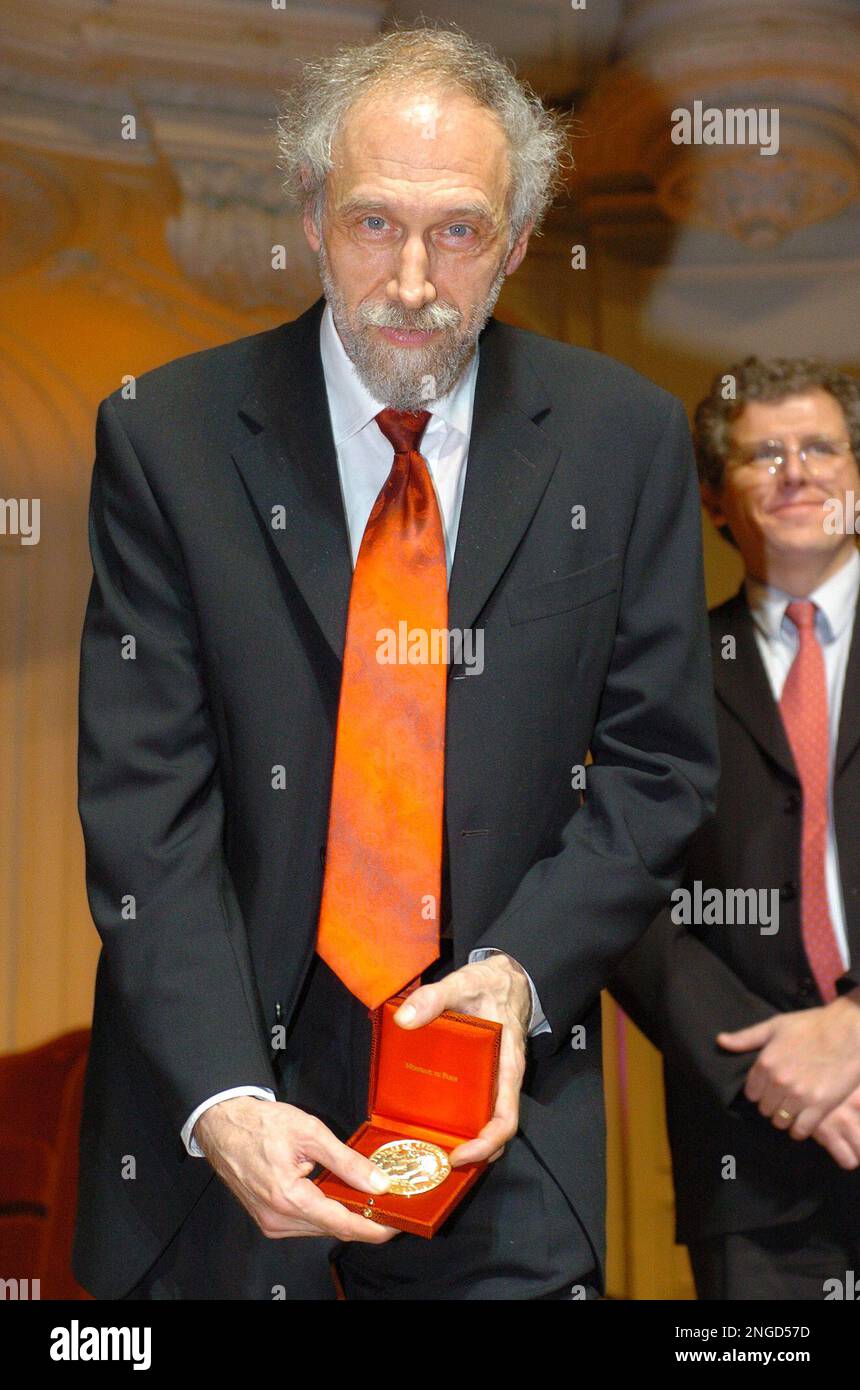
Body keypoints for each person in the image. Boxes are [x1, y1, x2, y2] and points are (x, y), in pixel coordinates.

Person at [73, 24, 718, 1301]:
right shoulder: (168, 438)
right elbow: (149, 803)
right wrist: (222, 1096)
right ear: (310, 214)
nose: (412, 278)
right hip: (226, 1114)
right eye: (373, 222)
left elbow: (658, 771)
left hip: (501, 1118)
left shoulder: (622, 440)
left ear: (520, 243)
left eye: (460, 231)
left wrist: (520, 974)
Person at [611, 356, 860, 1300]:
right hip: (752, 1168)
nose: (794, 471)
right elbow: (627, 896)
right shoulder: (652, 682)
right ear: (717, 499)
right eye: (762, 454)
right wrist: (775, 1063)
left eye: (819, 447)